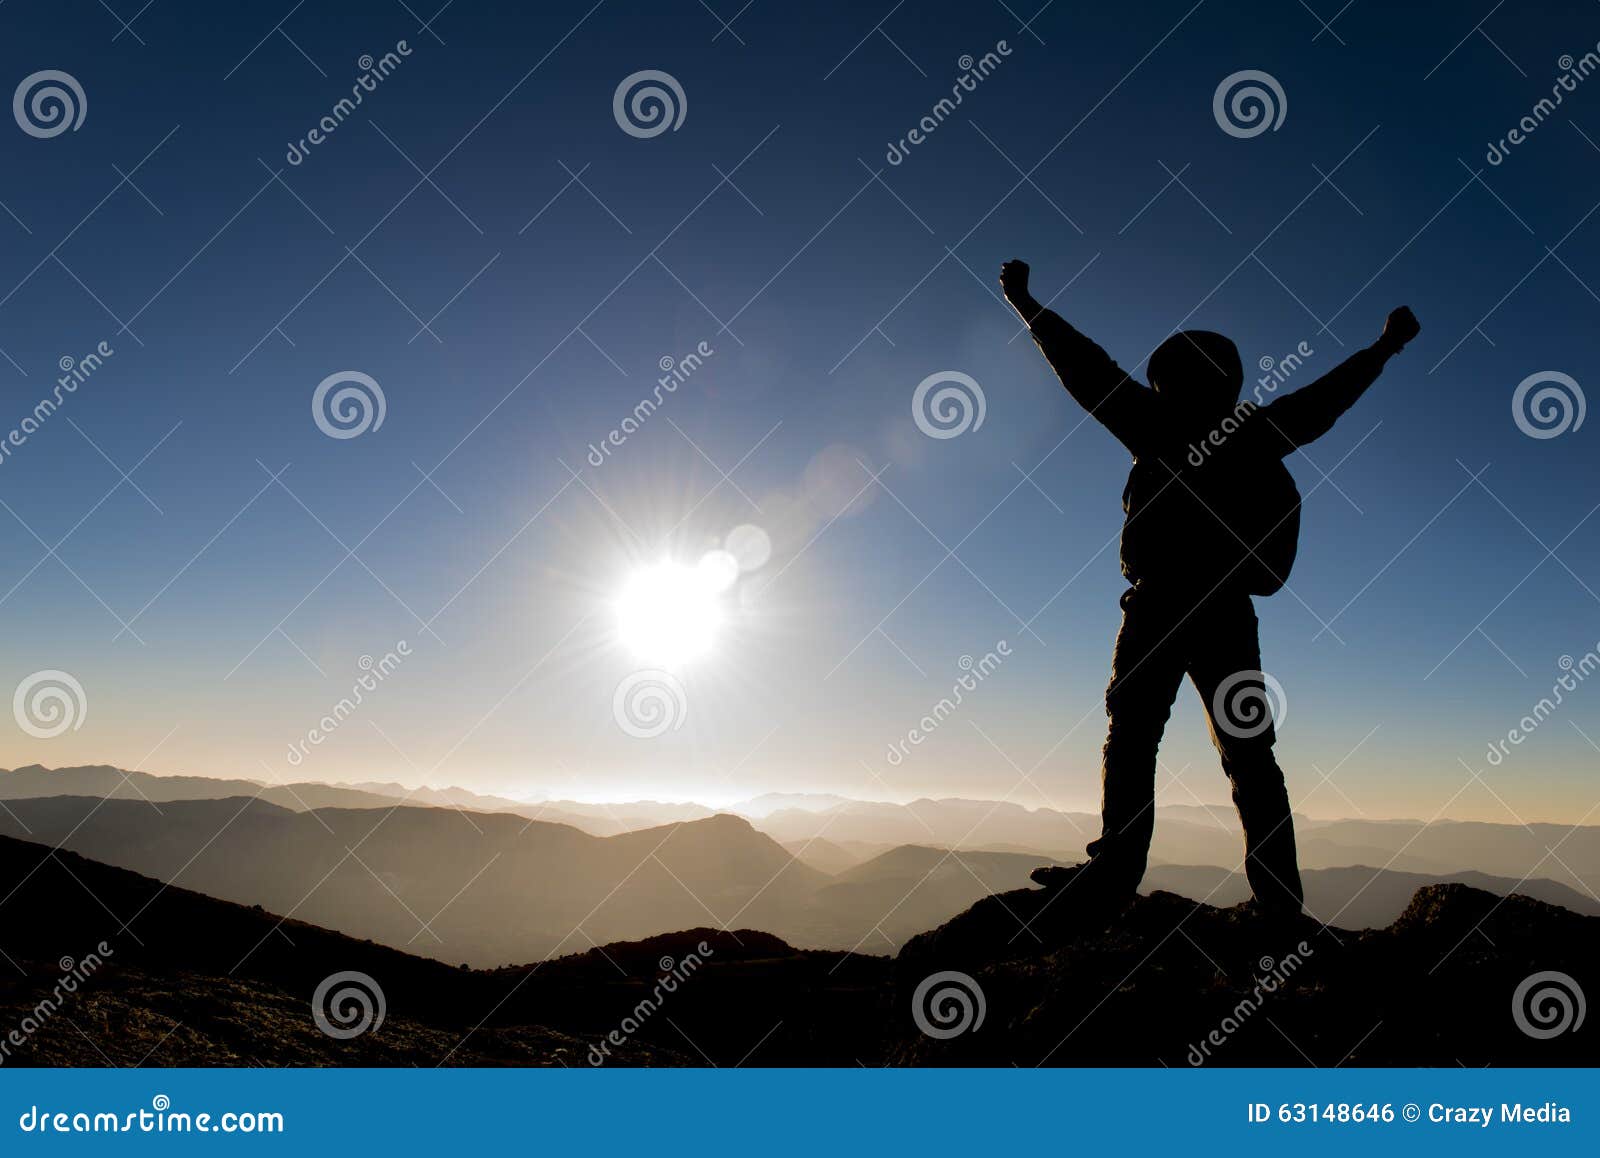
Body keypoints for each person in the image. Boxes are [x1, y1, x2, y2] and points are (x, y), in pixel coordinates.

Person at [1000, 258, 1420, 918]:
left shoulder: (1155, 424)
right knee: (1244, 752)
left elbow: (1086, 368)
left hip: (1163, 604)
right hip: (1223, 612)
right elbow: (1321, 402)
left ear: (1177, 379)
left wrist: (1025, 303)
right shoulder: (1250, 433)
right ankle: (1277, 904)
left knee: (1140, 737)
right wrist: (1384, 348)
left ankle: (1117, 877)